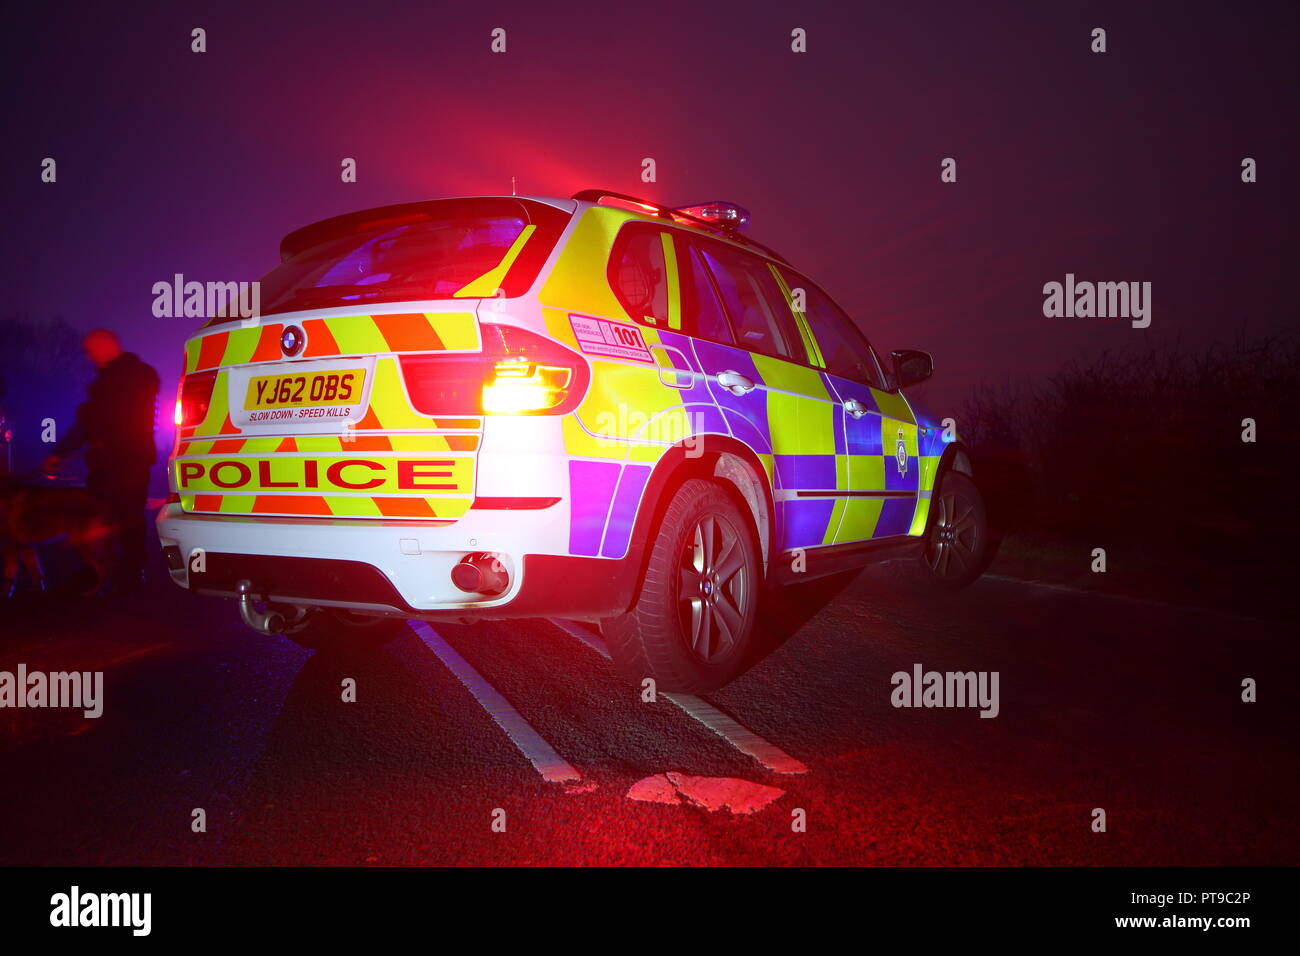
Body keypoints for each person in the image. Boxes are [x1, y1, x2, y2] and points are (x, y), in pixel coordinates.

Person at [43, 329, 160, 592]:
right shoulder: (128, 377)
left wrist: (61, 451)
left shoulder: (133, 377)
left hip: (127, 462)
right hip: (113, 463)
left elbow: (95, 420)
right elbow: (88, 422)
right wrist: (60, 451)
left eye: (90, 351)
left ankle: (128, 573)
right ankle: (104, 570)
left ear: (103, 348)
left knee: (125, 518)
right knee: (100, 518)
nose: (88, 357)